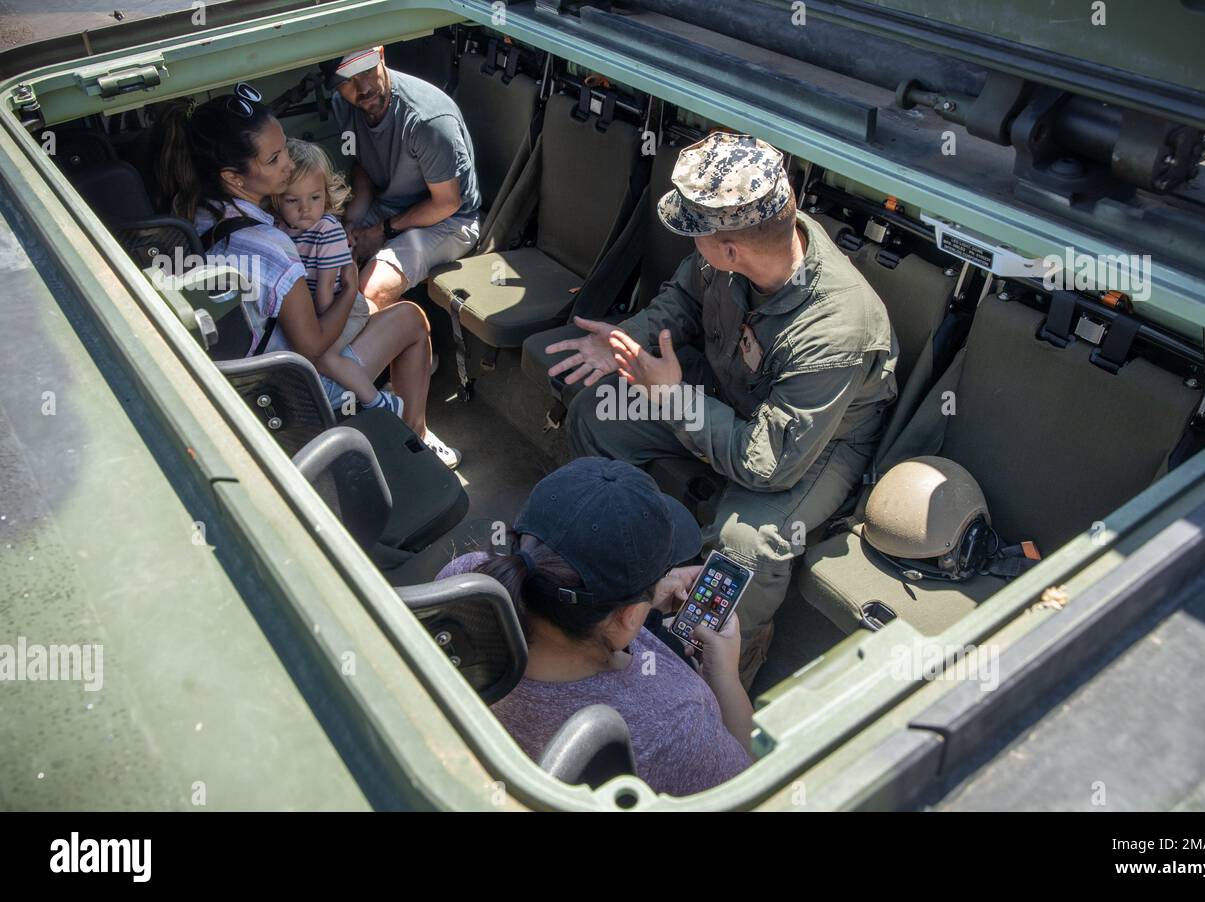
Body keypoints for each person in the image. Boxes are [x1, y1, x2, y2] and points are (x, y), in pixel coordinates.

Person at [546, 132, 898, 688]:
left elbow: (768, 465)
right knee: (598, 413)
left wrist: (670, 396)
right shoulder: (741, 254)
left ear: (731, 249)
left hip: (812, 446)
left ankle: (715, 665)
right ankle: (632, 558)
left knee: (743, 547)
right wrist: (627, 343)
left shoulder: (836, 329)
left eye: (696, 234)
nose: (691, 244)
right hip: (729, 388)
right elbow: (684, 299)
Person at [155, 84, 462, 468]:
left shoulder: (197, 212)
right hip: (294, 391)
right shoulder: (268, 246)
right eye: (273, 159)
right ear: (235, 178)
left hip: (245, 376)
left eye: (284, 148)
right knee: (411, 319)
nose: (287, 164)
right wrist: (349, 287)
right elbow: (313, 348)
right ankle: (412, 440)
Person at [436, 457, 753, 796]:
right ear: (629, 617)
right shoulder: (674, 726)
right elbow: (745, 791)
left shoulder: (467, 581)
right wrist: (725, 678)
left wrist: (647, 593)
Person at [326, 46, 481, 309]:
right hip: (389, 206)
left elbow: (447, 202)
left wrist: (381, 231)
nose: (362, 88)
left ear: (381, 55)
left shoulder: (426, 120)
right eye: (347, 81)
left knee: (369, 293)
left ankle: (376, 346)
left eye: (366, 70)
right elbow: (362, 166)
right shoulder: (345, 105)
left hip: (450, 221)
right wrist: (350, 224)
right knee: (323, 259)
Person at [272, 138, 402, 416]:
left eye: (315, 198)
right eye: (292, 200)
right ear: (277, 199)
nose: (305, 209)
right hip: (314, 309)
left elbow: (325, 290)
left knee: (321, 356)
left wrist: (316, 329)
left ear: (326, 196)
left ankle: (379, 402)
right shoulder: (281, 229)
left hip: (342, 307)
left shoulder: (327, 231)